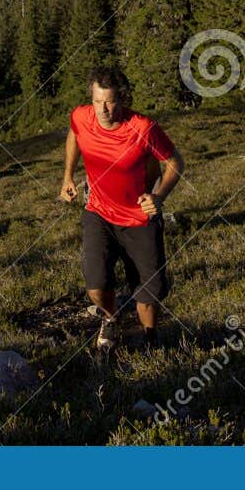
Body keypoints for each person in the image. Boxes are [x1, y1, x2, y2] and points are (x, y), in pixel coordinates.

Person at [59, 66, 183, 352]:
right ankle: (111, 317)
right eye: (98, 100)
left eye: (110, 101)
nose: (103, 109)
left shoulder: (143, 127)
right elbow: (74, 134)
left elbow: (175, 161)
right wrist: (67, 175)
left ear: (123, 99)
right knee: (96, 286)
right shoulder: (81, 116)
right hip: (98, 212)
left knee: (148, 293)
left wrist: (159, 196)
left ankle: (152, 342)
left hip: (139, 218)